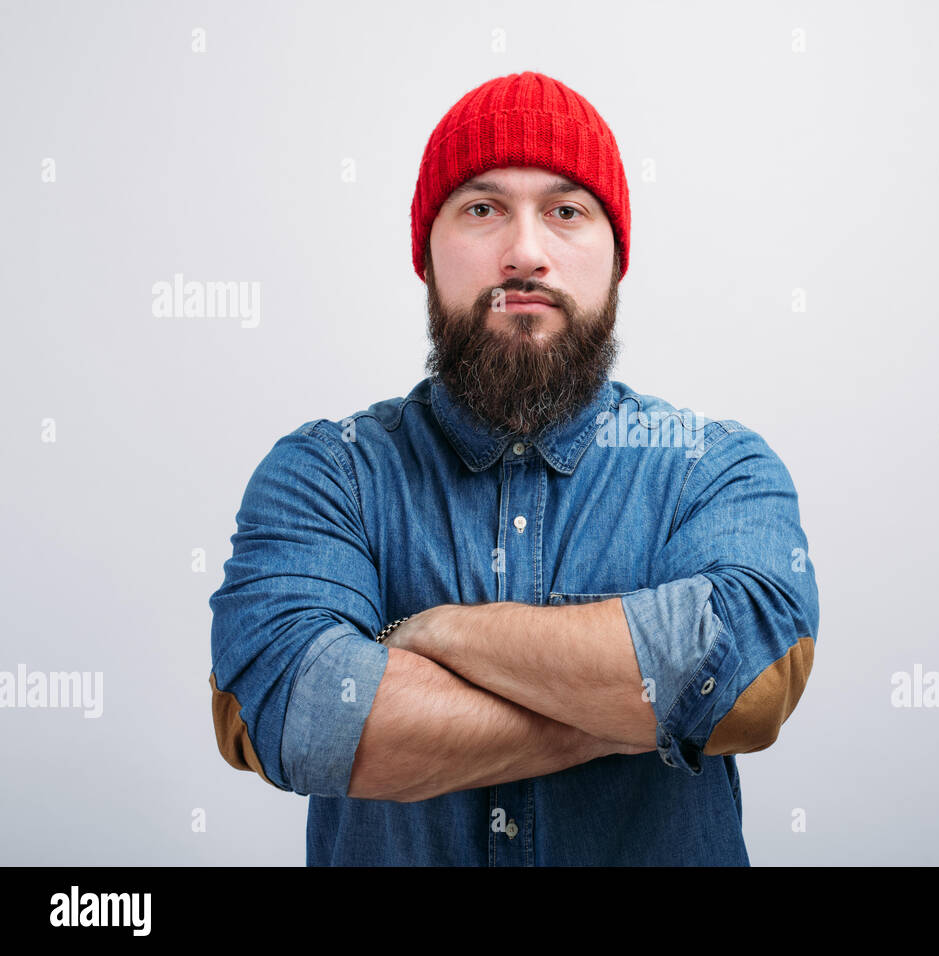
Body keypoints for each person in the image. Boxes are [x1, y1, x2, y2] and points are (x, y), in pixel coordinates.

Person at [208, 70, 819, 866]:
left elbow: (747, 686)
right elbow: (299, 715)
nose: (525, 253)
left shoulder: (714, 468)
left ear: (616, 260)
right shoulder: (328, 475)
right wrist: (638, 708)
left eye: (567, 211)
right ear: (426, 257)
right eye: (483, 209)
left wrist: (439, 633)